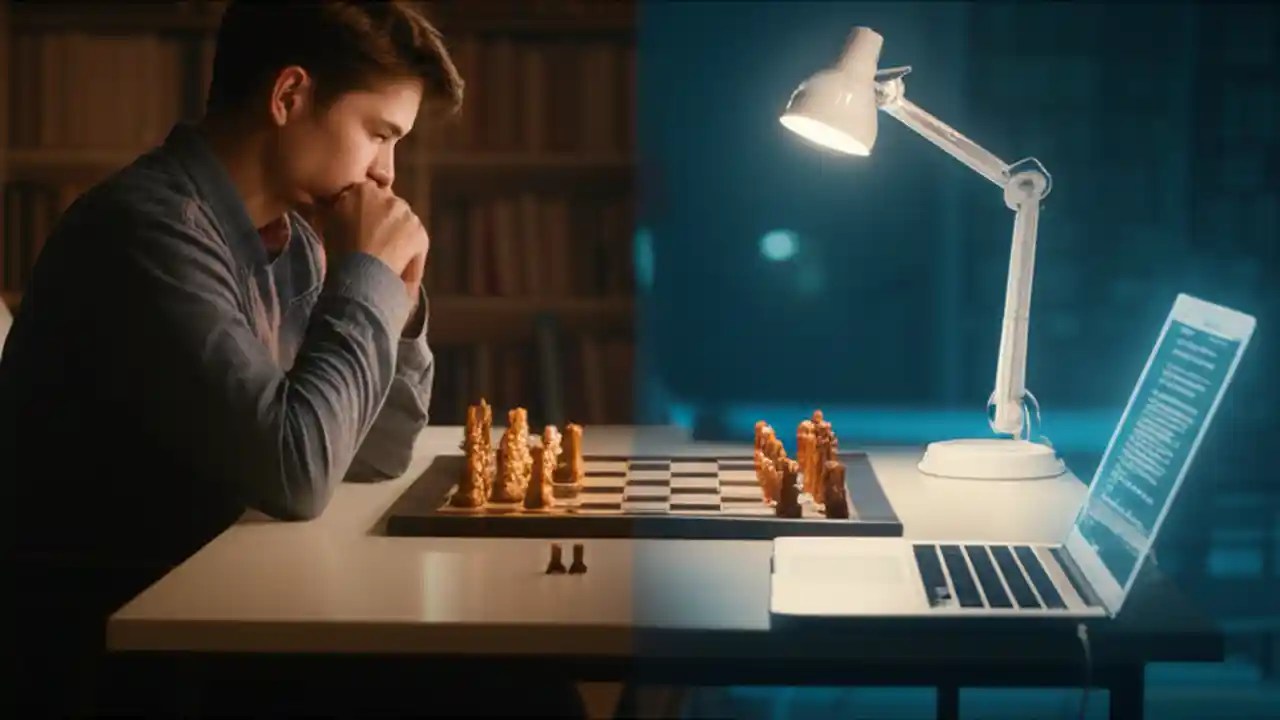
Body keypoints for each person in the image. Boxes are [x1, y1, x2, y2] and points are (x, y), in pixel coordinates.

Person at [3, 2, 582, 716]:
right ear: (289, 97)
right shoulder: (146, 234)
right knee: (522, 697)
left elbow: (376, 448)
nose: (387, 173)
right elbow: (298, 471)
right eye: (379, 134)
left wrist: (393, 296)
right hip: (119, 652)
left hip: (217, 607)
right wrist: (364, 277)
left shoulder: (296, 243)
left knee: (522, 681)